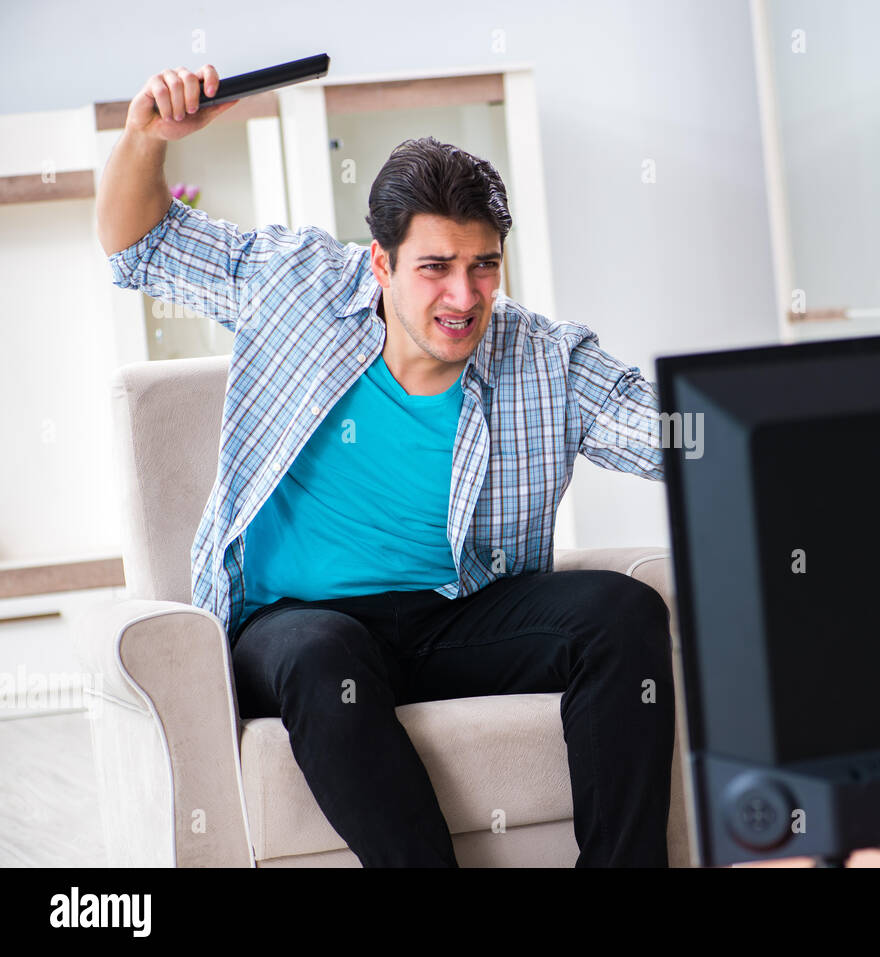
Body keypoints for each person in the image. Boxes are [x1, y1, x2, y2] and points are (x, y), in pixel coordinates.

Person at [96, 64, 674, 867]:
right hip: (296, 620)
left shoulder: (542, 358)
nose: (464, 297)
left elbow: (674, 434)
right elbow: (139, 246)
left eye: (484, 265)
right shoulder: (294, 286)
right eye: (435, 266)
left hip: (455, 614)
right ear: (379, 264)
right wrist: (146, 138)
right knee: (322, 654)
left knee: (621, 613)